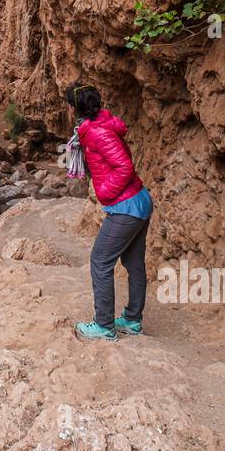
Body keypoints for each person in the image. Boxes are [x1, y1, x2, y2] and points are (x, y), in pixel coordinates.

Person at [64, 83, 153, 341]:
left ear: (75, 108)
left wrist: (103, 191)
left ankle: (104, 325)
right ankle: (132, 320)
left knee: (100, 261)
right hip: (137, 201)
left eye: (69, 104)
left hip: (126, 207)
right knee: (133, 262)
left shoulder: (96, 133)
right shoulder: (101, 125)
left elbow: (124, 167)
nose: (67, 108)